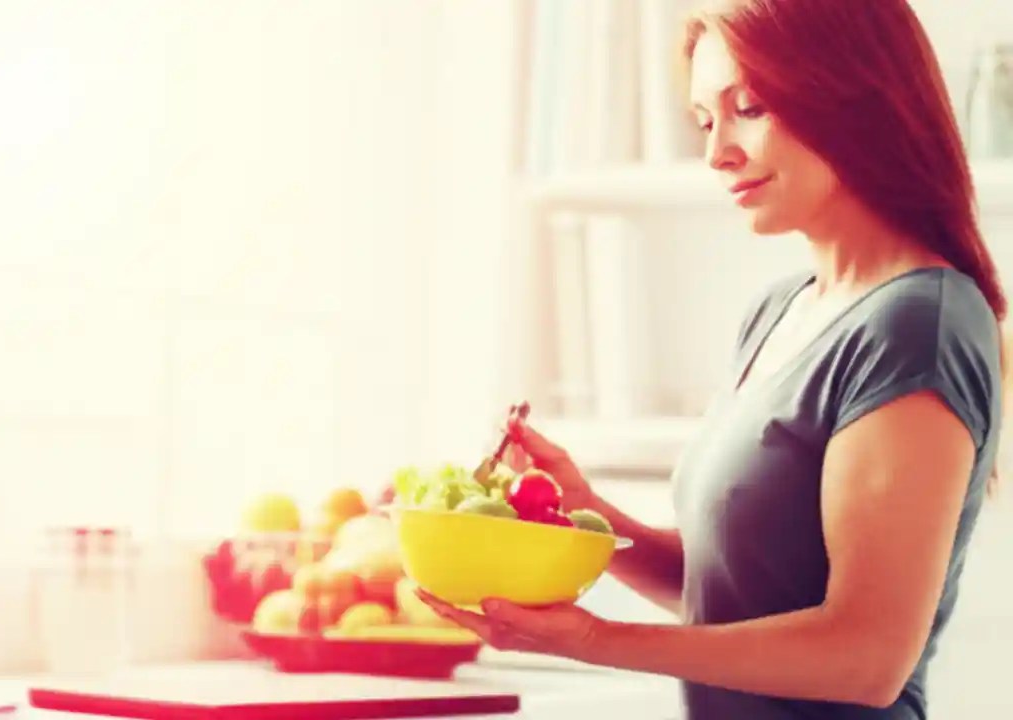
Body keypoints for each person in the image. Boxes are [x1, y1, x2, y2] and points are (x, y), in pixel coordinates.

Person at [418, 1, 1007, 718]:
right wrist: (583, 507)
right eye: (704, 120)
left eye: (748, 107)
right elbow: (727, 588)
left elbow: (866, 658)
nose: (717, 151)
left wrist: (593, 638)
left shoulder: (918, 326)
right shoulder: (783, 309)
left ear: (854, 92)